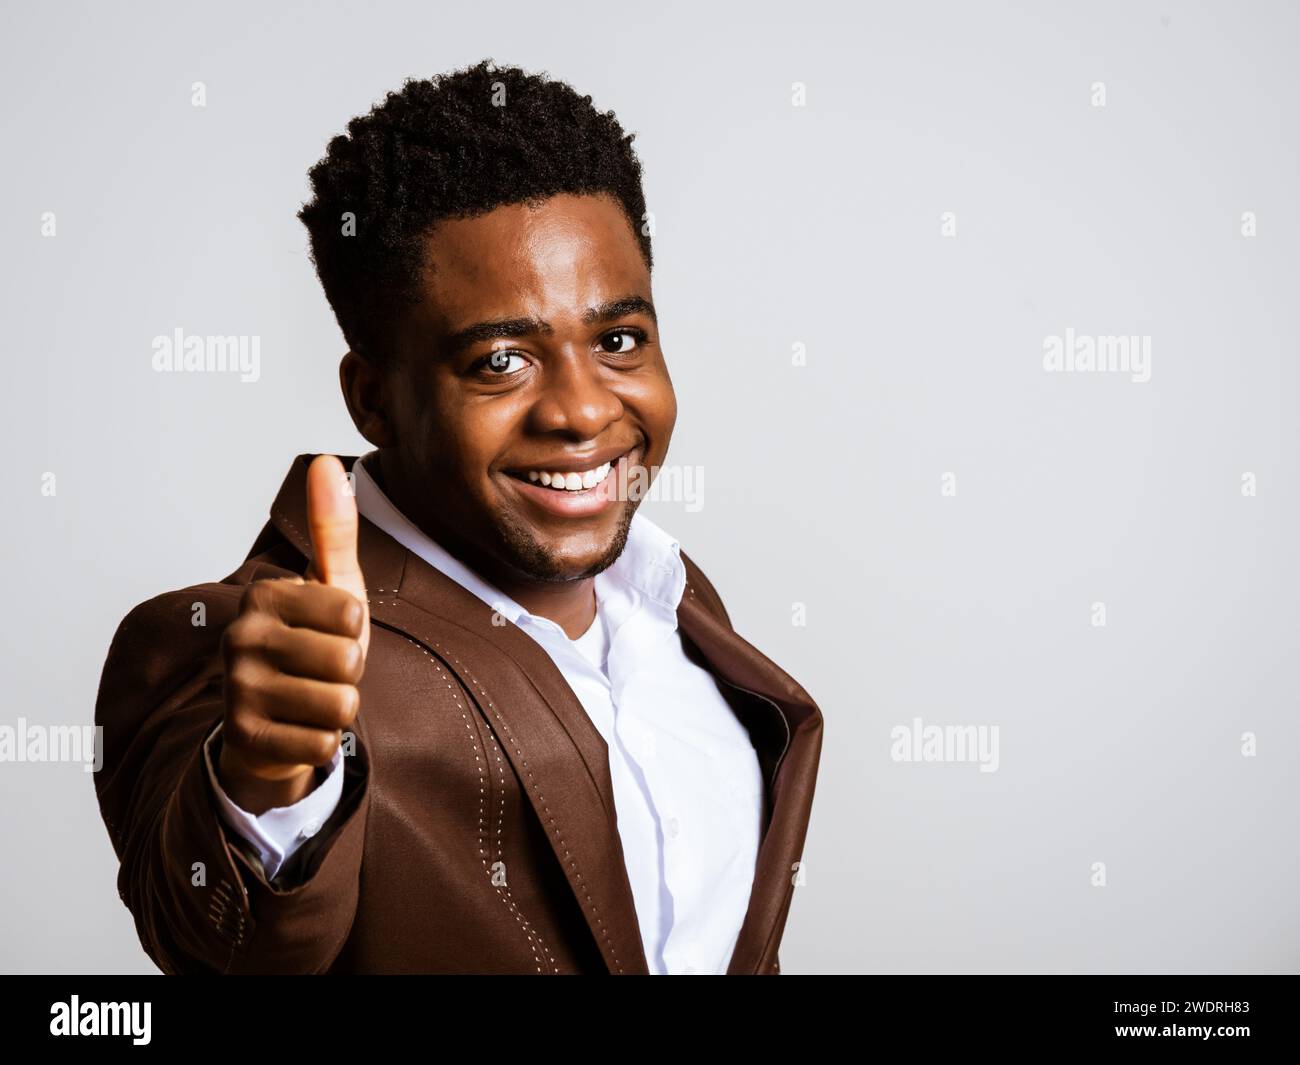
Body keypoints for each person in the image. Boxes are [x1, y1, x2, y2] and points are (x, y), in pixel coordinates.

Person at [94, 59, 823, 975]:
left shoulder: (670, 598)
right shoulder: (244, 647)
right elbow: (218, 935)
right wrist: (267, 787)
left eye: (619, 341)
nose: (583, 410)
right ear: (373, 400)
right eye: (501, 361)